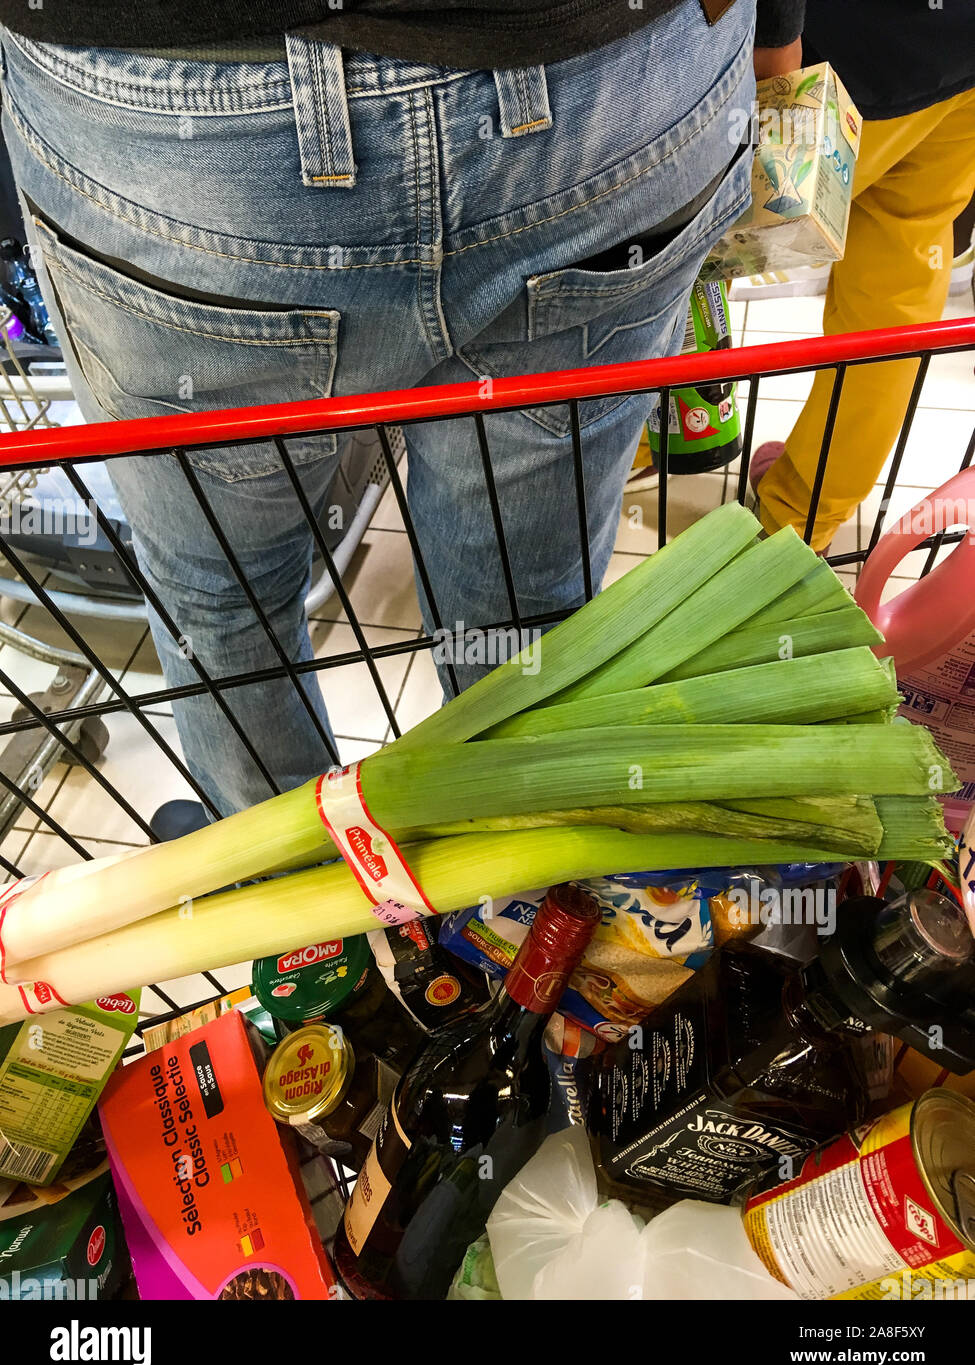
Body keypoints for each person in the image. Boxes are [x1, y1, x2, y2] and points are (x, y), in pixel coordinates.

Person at [0, 0, 801, 821]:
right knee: (528, 600)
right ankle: (503, 907)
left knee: (225, 599)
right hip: (612, 89)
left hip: (175, 143)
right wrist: (777, 27)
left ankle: (301, 913)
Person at [750, 0, 975, 554]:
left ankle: (654, 438)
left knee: (689, 250)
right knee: (893, 296)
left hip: (833, 59)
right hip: (962, 66)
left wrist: (772, 51)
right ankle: (798, 521)